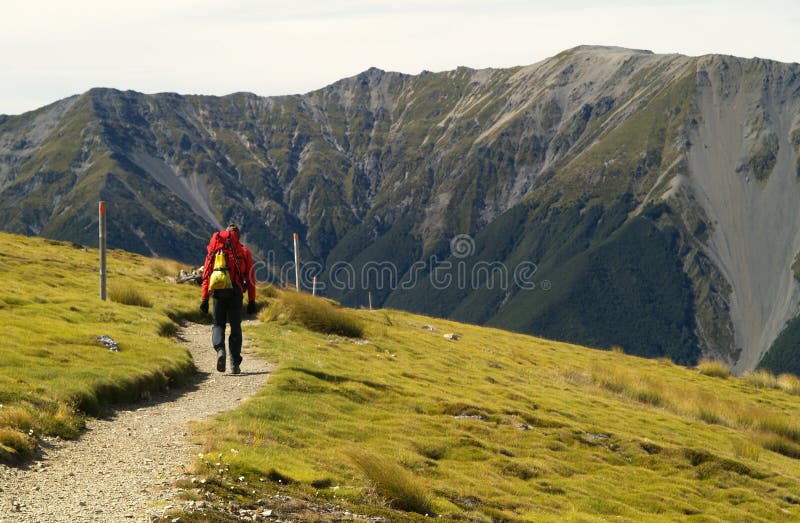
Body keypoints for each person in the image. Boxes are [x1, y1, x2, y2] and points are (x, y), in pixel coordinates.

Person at [199, 224, 256, 374]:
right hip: (236, 293)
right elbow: (251, 278)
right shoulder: (244, 251)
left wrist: (204, 299)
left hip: (218, 293)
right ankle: (234, 364)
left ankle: (220, 351)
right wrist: (252, 300)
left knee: (218, 324)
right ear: (238, 237)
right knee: (235, 328)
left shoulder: (215, 249)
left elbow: (206, 275)